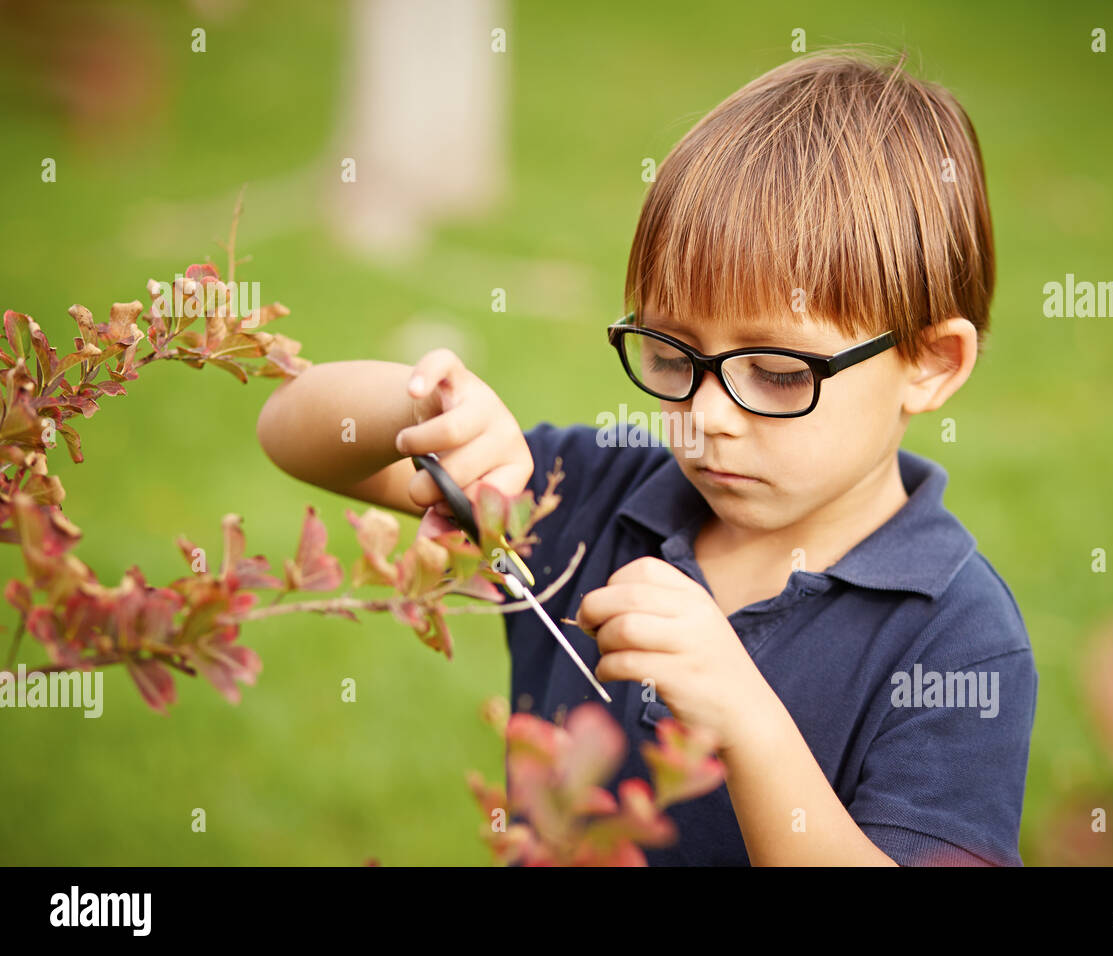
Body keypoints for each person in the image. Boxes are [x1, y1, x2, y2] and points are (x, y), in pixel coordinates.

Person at [256, 47, 1037, 866]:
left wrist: (749, 726)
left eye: (775, 374)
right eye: (671, 355)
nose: (707, 416)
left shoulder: (957, 642)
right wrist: (422, 410)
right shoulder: (585, 496)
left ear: (931, 363)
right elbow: (292, 431)